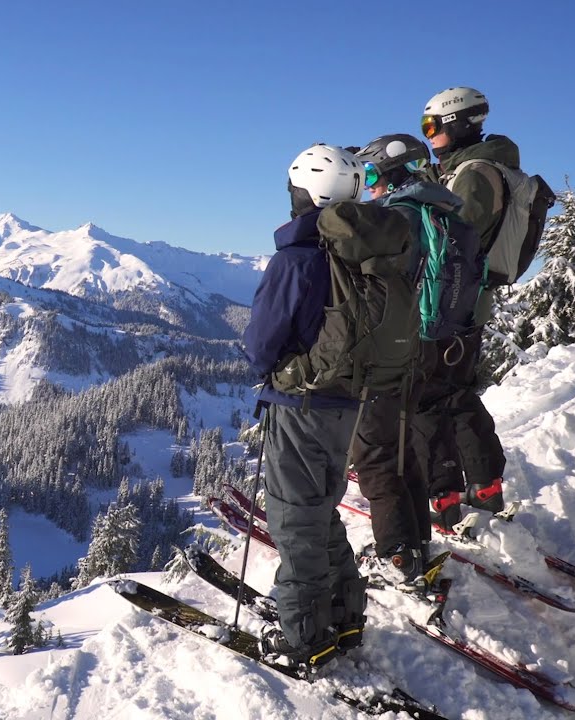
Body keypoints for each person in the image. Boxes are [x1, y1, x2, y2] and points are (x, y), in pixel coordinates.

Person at [242, 144, 369, 668]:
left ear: (307, 194)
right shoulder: (361, 254)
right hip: (350, 403)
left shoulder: (296, 259)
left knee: (295, 519)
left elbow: (261, 343)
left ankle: (304, 637)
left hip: (301, 404)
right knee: (320, 510)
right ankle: (345, 612)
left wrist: (270, 369)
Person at [351, 134, 483, 564]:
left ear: (394, 172)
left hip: (401, 347)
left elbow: (380, 288)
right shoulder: (444, 211)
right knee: (407, 444)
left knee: (379, 450)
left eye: (372, 174)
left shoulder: (398, 217)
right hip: (443, 340)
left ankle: (399, 553)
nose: (369, 185)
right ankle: (417, 538)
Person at [417, 86, 513, 523]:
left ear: (456, 123)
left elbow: (454, 239)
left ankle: (444, 496)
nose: (429, 135)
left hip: (451, 303)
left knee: (430, 398)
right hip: (467, 302)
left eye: (431, 126)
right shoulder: (479, 168)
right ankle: (484, 485)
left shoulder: (474, 174)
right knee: (456, 394)